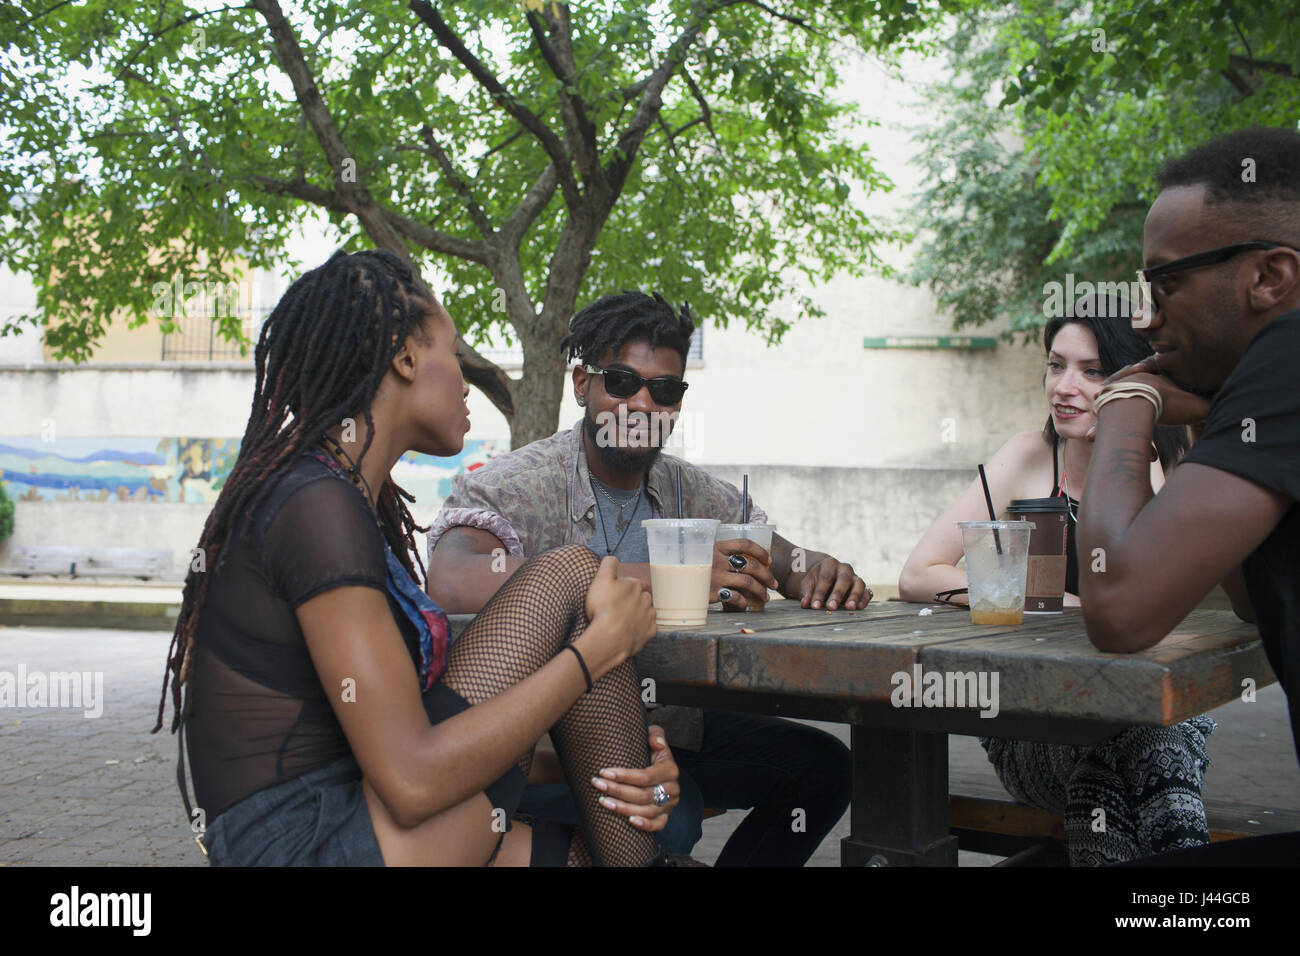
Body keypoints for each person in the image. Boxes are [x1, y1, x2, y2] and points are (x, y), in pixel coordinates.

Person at [154, 250, 692, 867]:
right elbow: (412, 782)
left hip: (363, 814)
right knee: (570, 571)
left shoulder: (343, 497)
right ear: (406, 358)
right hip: (313, 844)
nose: (465, 381)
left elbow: (405, 746)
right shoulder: (314, 506)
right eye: (454, 354)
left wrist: (614, 771)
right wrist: (594, 656)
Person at [427, 290, 865, 866]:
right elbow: (453, 580)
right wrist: (669, 577)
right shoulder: (514, 485)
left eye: (664, 390)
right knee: (668, 821)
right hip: (554, 745)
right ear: (582, 384)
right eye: (621, 381)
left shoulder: (693, 489)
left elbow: (778, 560)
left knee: (824, 769)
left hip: (675, 729)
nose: (641, 404)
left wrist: (818, 572)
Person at [898, 294, 1218, 865]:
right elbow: (919, 574)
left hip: (1144, 707)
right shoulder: (1027, 457)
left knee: (1118, 758)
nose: (1064, 386)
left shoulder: (1169, 470)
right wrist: (1041, 599)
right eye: (1055, 364)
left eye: (1092, 371)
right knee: (1132, 749)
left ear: (1136, 378)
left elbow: (1165, 608)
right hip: (1033, 723)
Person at [1077, 126, 1300, 863]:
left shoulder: (1290, 355)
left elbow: (1119, 603)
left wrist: (1124, 405)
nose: (1145, 318)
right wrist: (1212, 413)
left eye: (1165, 283)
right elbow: (1242, 592)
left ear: (1270, 277)